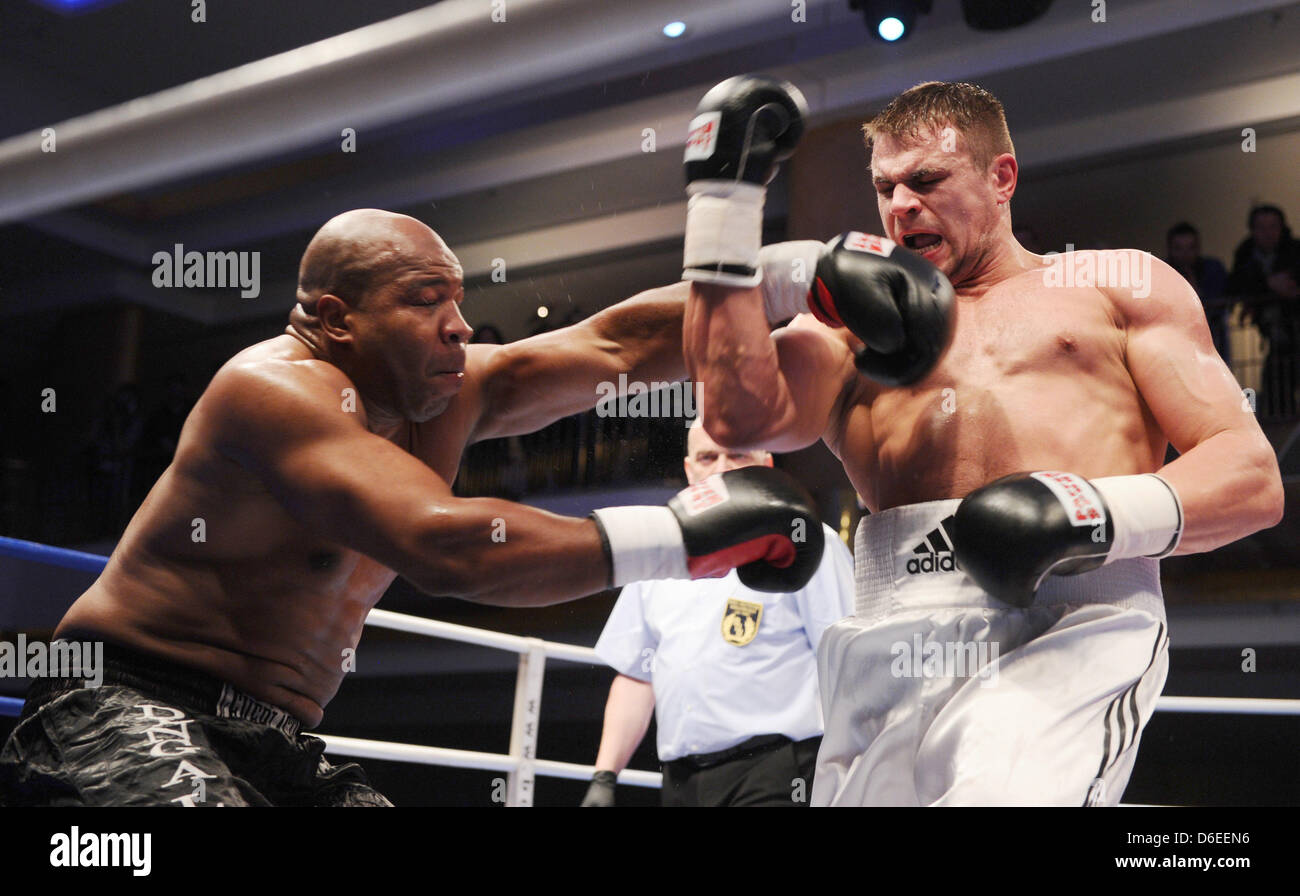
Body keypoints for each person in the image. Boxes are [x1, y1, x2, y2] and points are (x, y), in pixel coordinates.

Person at [0, 209, 826, 807]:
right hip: (122, 709)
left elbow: (614, 346)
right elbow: (449, 547)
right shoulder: (273, 391)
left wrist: (801, 278)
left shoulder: (452, 393)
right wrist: (684, 538)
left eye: (458, 300)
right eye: (426, 300)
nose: (459, 327)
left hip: (278, 741)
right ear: (336, 319)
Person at [680, 77, 1284, 805]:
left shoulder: (1117, 289)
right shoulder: (855, 318)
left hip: (1069, 621)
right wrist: (722, 209)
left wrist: (1088, 512)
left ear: (1002, 178)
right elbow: (745, 419)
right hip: (886, 631)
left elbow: (1250, 476)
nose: (902, 206)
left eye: (927, 180)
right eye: (886, 187)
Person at [581, 419, 853, 807]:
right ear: (690, 470)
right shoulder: (657, 554)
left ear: (766, 465)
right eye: (708, 456)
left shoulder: (807, 543)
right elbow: (636, 676)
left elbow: (845, 663)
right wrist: (605, 777)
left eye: (737, 453)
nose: (722, 467)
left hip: (775, 769)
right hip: (681, 781)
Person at [1227, 205, 1300, 417]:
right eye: (1261, 227)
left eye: (1273, 227)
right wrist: (1269, 283)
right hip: (1276, 336)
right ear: (1252, 230)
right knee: (1277, 390)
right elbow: (1235, 284)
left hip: (1292, 326)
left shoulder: (1294, 250)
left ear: (1282, 228)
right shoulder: (1245, 254)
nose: (1267, 233)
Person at [1165, 222, 1230, 364]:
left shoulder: (1212, 269)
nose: (1185, 254)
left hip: (1213, 344)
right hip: (1175, 347)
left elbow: (1219, 302)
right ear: (1170, 250)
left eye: (1190, 248)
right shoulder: (1162, 272)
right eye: (1178, 248)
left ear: (1198, 248)